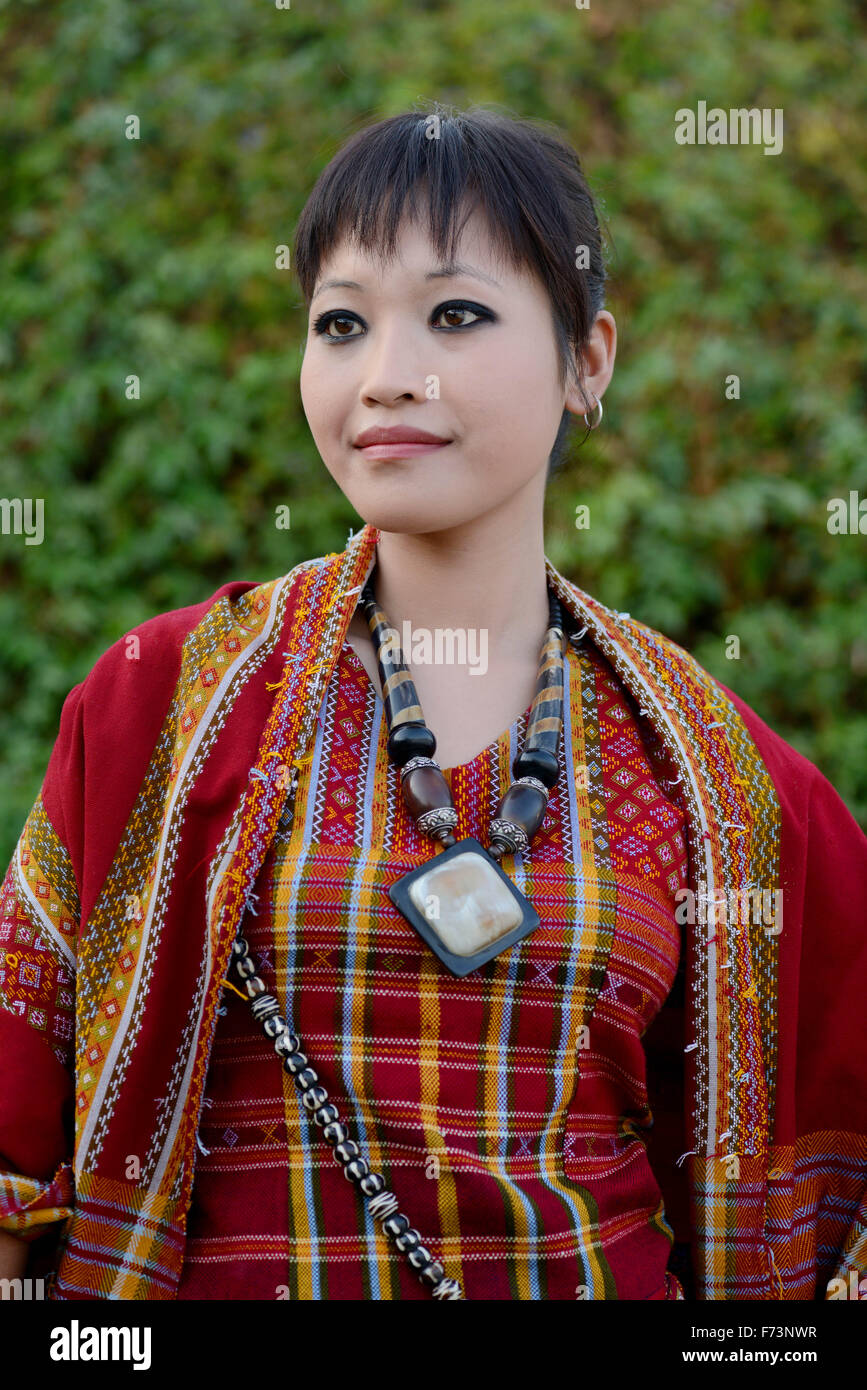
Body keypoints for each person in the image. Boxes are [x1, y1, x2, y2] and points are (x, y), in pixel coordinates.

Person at [1, 104, 865, 1302]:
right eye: (341, 322)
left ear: (588, 360)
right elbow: (17, 1102)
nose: (385, 375)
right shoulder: (165, 701)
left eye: (456, 314)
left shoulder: (716, 768)